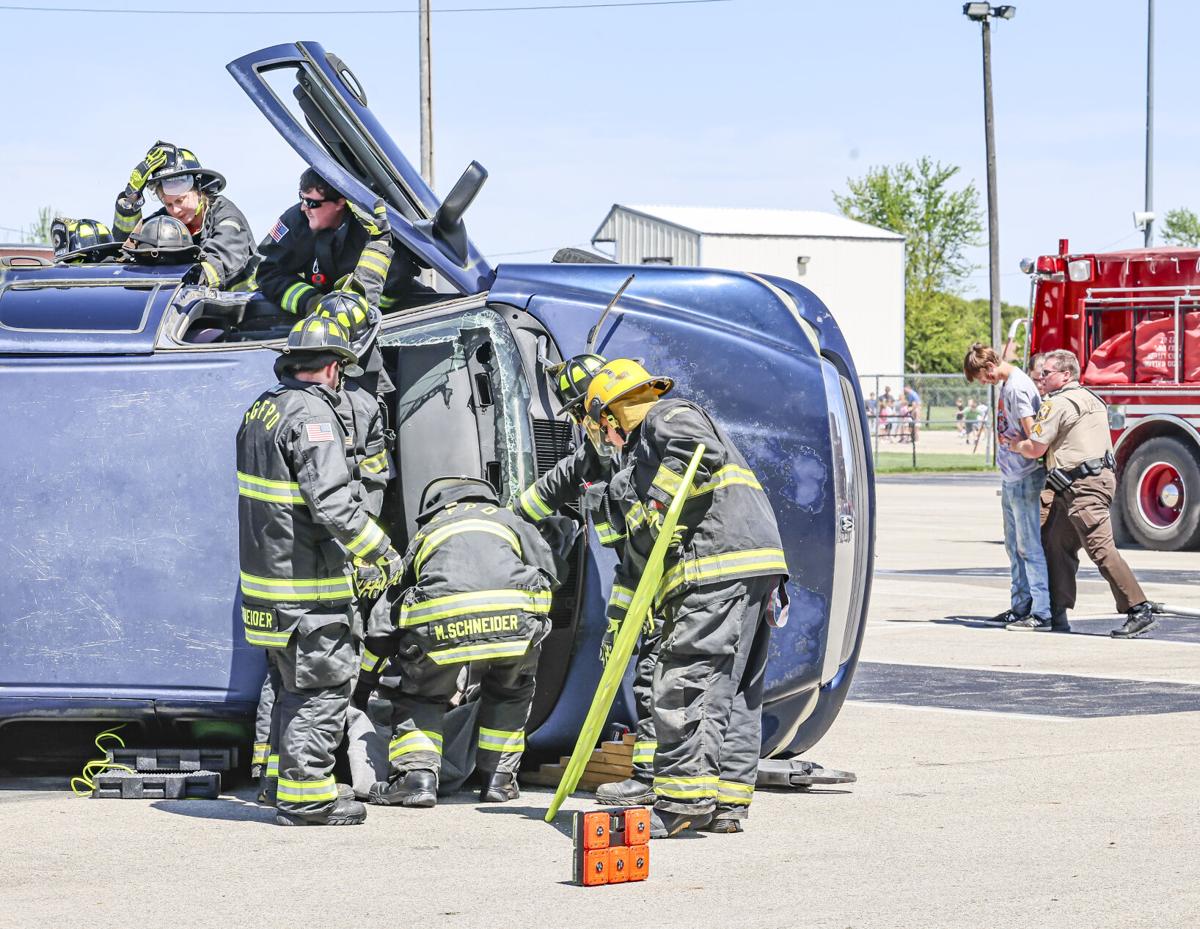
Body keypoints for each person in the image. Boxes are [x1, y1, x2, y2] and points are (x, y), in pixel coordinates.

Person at [584, 359, 788, 838]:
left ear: (612, 416)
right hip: (755, 563)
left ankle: (681, 803)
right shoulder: (638, 461)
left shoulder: (665, 415)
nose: (605, 439)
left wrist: (657, 504)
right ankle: (727, 802)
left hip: (716, 564)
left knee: (685, 678)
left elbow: (699, 447)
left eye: (602, 427)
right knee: (734, 687)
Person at [250, 201, 399, 796]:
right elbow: (334, 502)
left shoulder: (262, 409)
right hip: (308, 587)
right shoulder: (315, 418)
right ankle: (307, 798)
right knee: (324, 687)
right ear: (336, 367)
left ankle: (273, 780)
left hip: (269, 589)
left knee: (285, 689)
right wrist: (378, 551)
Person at [364, 477, 561, 808]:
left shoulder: (428, 530)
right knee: (510, 691)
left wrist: (367, 676)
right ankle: (499, 782)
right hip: (514, 624)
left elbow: (388, 613)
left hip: (441, 627)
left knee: (422, 696)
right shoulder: (508, 518)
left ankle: (417, 779)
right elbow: (551, 569)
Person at [1005, 349, 1156, 638]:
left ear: (1066, 374)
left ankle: (1139, 609)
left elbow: (1036, 448)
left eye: (1047, 373)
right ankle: (1054, 611)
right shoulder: (1092, 398)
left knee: (1100, 549)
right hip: (1075, 485)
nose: (1041, 377)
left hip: (1081, 488)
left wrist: (1015, 445)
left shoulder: (1057, 403)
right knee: (1054, 542)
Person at [255, 168, 431, 317]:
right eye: (301, 198)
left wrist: (352, 311)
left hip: (388, 317)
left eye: (311, 202)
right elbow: (270, 273)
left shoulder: (372, 227)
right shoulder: (296, 220)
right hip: (325, 316)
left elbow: (394, 283)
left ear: (340, 202)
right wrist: (310, 301)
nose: (303, 207)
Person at [963, 343, 1053, 631]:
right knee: (1014, 546)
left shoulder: (1016, 388)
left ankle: (1042, 612)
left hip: (1026, 477)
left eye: (980, 376)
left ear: (989, 367)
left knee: (1028, 546)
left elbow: (1034, 437)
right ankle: (1021, 604)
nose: (981, 382)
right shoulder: (1008, 385)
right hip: (1013, 477)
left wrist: (1016, 446)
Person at [113, 141, 256, 289]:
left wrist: (184, 279)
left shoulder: (226, 217)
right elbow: (126, 250)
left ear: (199, 189)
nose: (175, 210)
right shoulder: (167, 221)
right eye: (168, 204)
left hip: (247, 308)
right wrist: (131, 198)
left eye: (180, 200)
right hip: (196, 308)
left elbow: (218, 264)